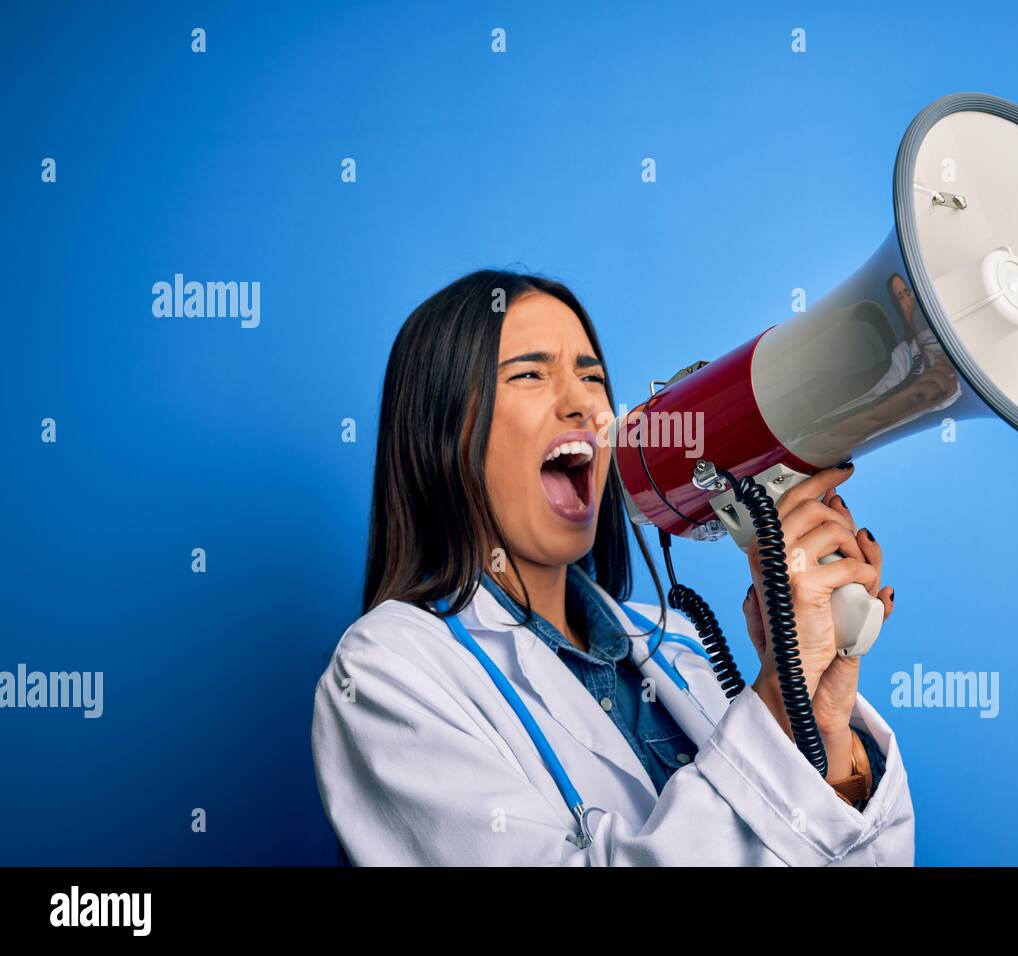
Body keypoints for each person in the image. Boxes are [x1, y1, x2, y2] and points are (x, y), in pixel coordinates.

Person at [310, 269, 915, 865]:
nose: (584, 405)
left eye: (593, 377)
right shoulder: (386, 671)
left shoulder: (673, 644)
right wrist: (776, 707)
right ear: (444, 431)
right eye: (529, 374)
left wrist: (820, 719)